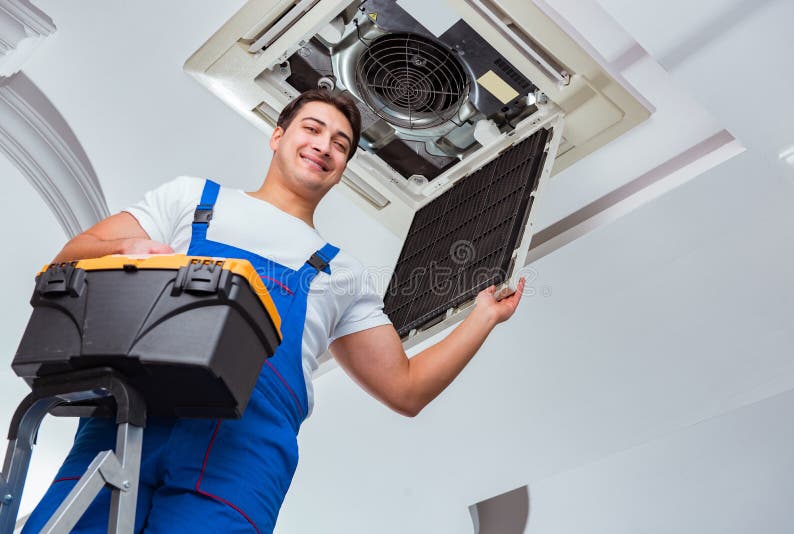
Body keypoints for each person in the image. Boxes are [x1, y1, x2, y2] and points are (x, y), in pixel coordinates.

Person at [23, 89, 525, 533]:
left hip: (243, 453)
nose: (325, 146)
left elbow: (406, 388)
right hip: (132, 413)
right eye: (313, 128)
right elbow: (74, 253)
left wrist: (483, 317)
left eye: (341, 144)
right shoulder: (193, 199)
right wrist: (135, 247)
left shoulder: (341, 272)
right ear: (278, 136)